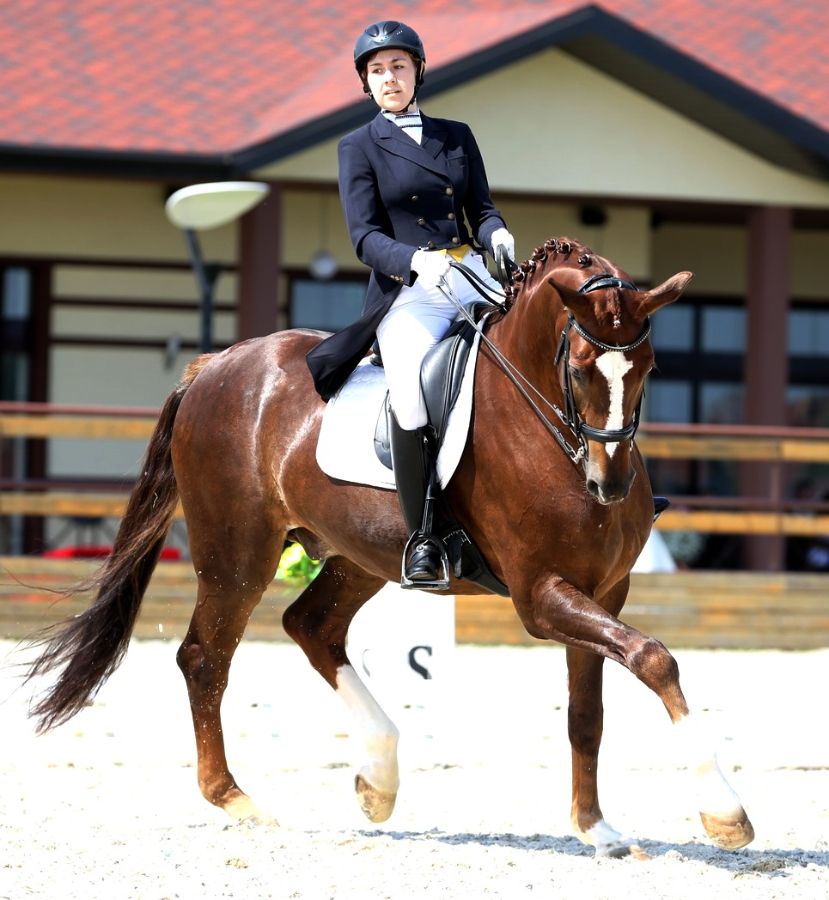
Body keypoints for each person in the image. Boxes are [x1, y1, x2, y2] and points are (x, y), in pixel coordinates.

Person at [306, 20, 515, 588]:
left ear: (418, 71)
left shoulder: (456, 135)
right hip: (411, 292)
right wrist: (415, 261)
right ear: (367, 83)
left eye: (398, 66)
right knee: (410, 392)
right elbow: (364, 237)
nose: (389, 78)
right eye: (377, 71)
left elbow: (481, 209)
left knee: (546, 347)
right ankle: (425, 535)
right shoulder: (358, 146)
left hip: (470, 275)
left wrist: (496, 233)